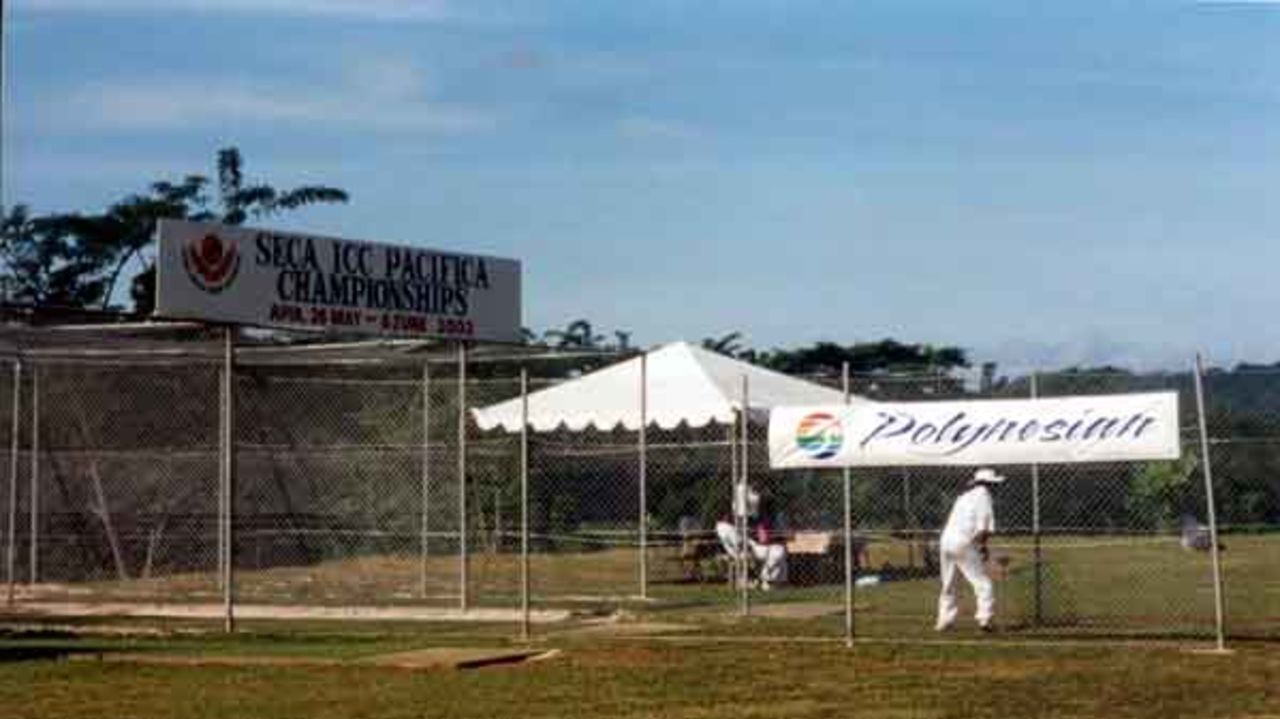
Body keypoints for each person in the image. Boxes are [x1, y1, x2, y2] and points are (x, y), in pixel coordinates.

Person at [936, 467, 1003, 632]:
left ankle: (944, 620)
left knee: (949, 584)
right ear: (989, 484)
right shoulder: (984, 497)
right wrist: (983, 548)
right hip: (963, 542)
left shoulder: (964, 496)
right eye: (994, 484)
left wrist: (981, 547)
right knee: (983, 584)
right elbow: (982, 529)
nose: (996, 487)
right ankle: (985, 620)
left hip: (946, 540)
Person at [714, 485, 788, 590]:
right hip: (742, 550)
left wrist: (765, 535)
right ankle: (753, 579)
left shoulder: (765, 516)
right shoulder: (725, 524)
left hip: (756, 546)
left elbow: (767, 538)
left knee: (780, 551)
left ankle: (766, 580)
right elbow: (740, 542)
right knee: (726, 531)